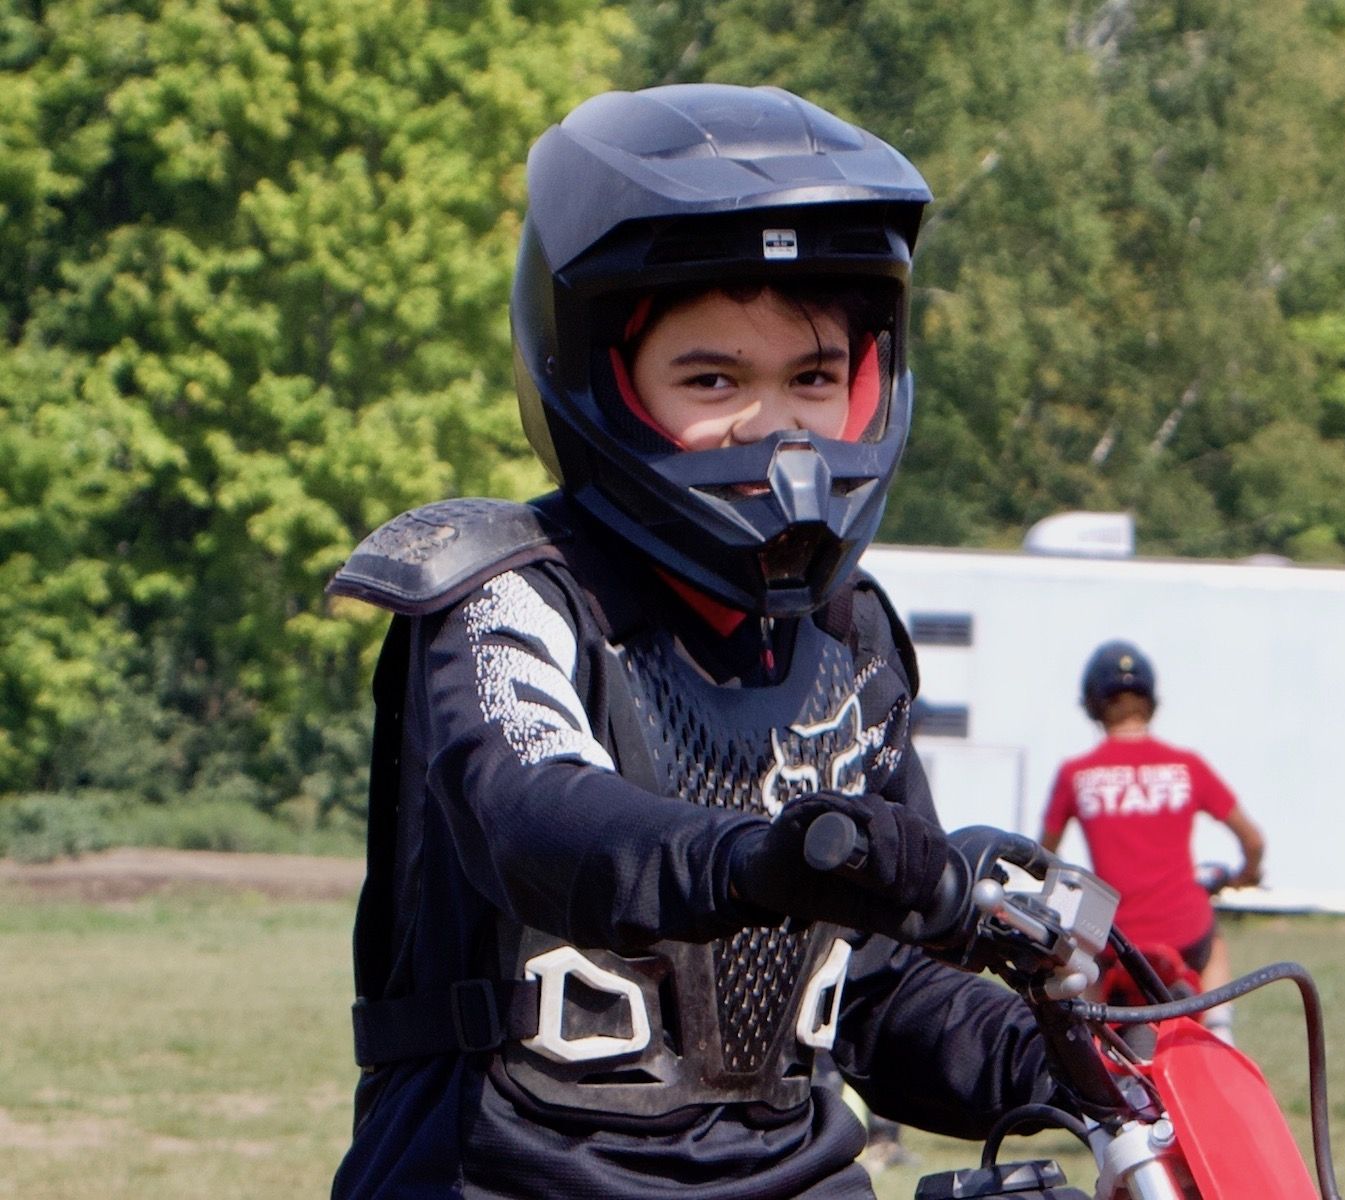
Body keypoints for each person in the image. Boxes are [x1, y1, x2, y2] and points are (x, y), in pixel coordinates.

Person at [324, 84, 1054, 1199]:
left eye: (812, 378)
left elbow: (876, 994)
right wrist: (760, 856)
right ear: (603, 378)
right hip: (514, 1176)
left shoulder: (850, 638)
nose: (774, 427)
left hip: (789, 1174)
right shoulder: (503, 594)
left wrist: (1070, 1057)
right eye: (714, 378)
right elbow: (539, 822)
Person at [1039, 640, 1265, 1045]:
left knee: (1086, 964)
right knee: (1212, 937)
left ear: (1092, 704)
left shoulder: (1076, 774)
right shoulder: (1186, 766)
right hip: (1184, 934)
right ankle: (1220, 1029)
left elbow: (1043, 856)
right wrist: (1249, 873)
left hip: (1114, 935)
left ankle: (1091, 1051)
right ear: (1151, 701)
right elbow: (1253, 839)